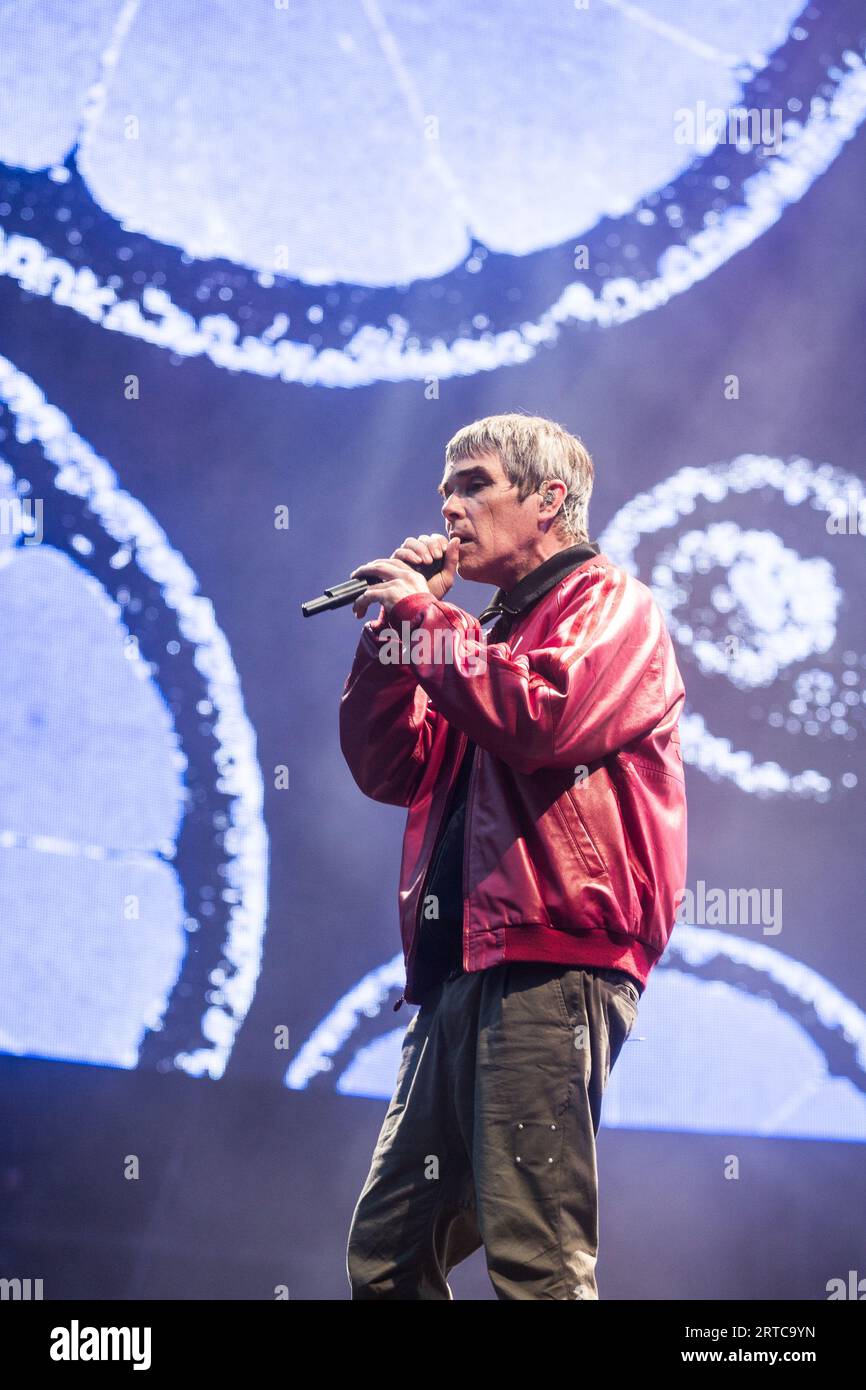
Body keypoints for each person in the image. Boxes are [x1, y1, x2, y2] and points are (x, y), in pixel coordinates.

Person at [339, 412, 687, 1299]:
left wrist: (427, 617)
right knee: (387, 1261)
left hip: (549, 962)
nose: (449, 508)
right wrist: (393, 638)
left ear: (548, 500)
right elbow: (390, 769)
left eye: (474, 485)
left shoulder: (615, 607)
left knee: (535, 1259)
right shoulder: (483, 637)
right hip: (458, 966)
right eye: (445, 489)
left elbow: (546, 723)